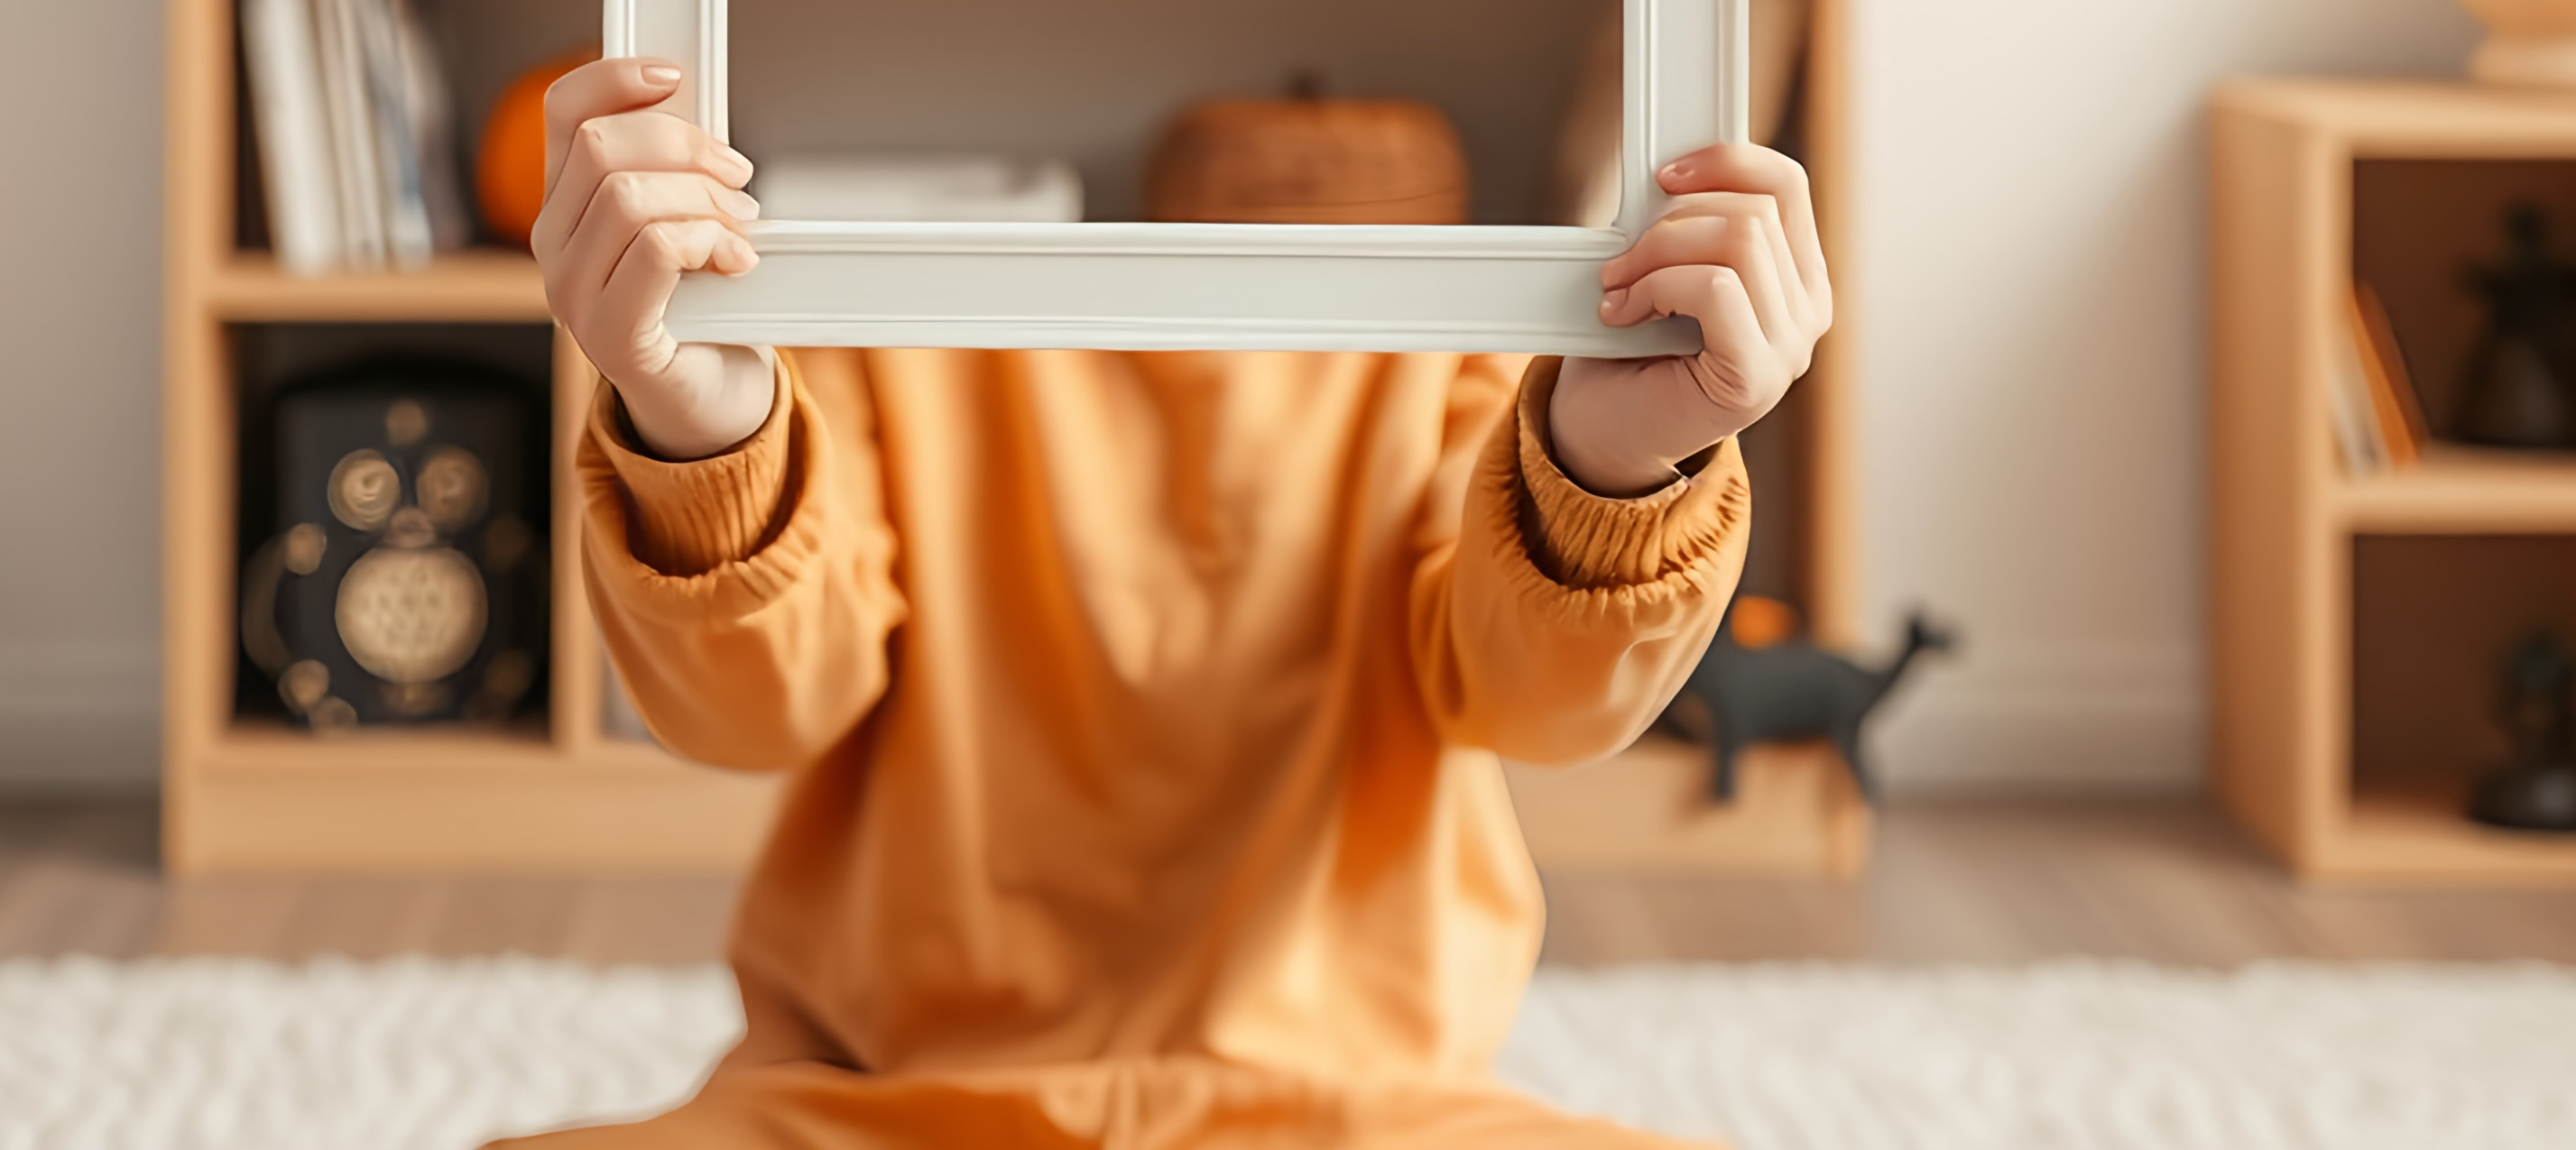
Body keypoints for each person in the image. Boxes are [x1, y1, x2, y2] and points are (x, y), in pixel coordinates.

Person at [518, 58, 1833, 1150]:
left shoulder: (1469, 357)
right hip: (886, 1109)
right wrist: (702, 426)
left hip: (1366, 1117)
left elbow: (1542, 698)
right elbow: (755, 704)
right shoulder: (874, 330)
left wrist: (1610, 462)